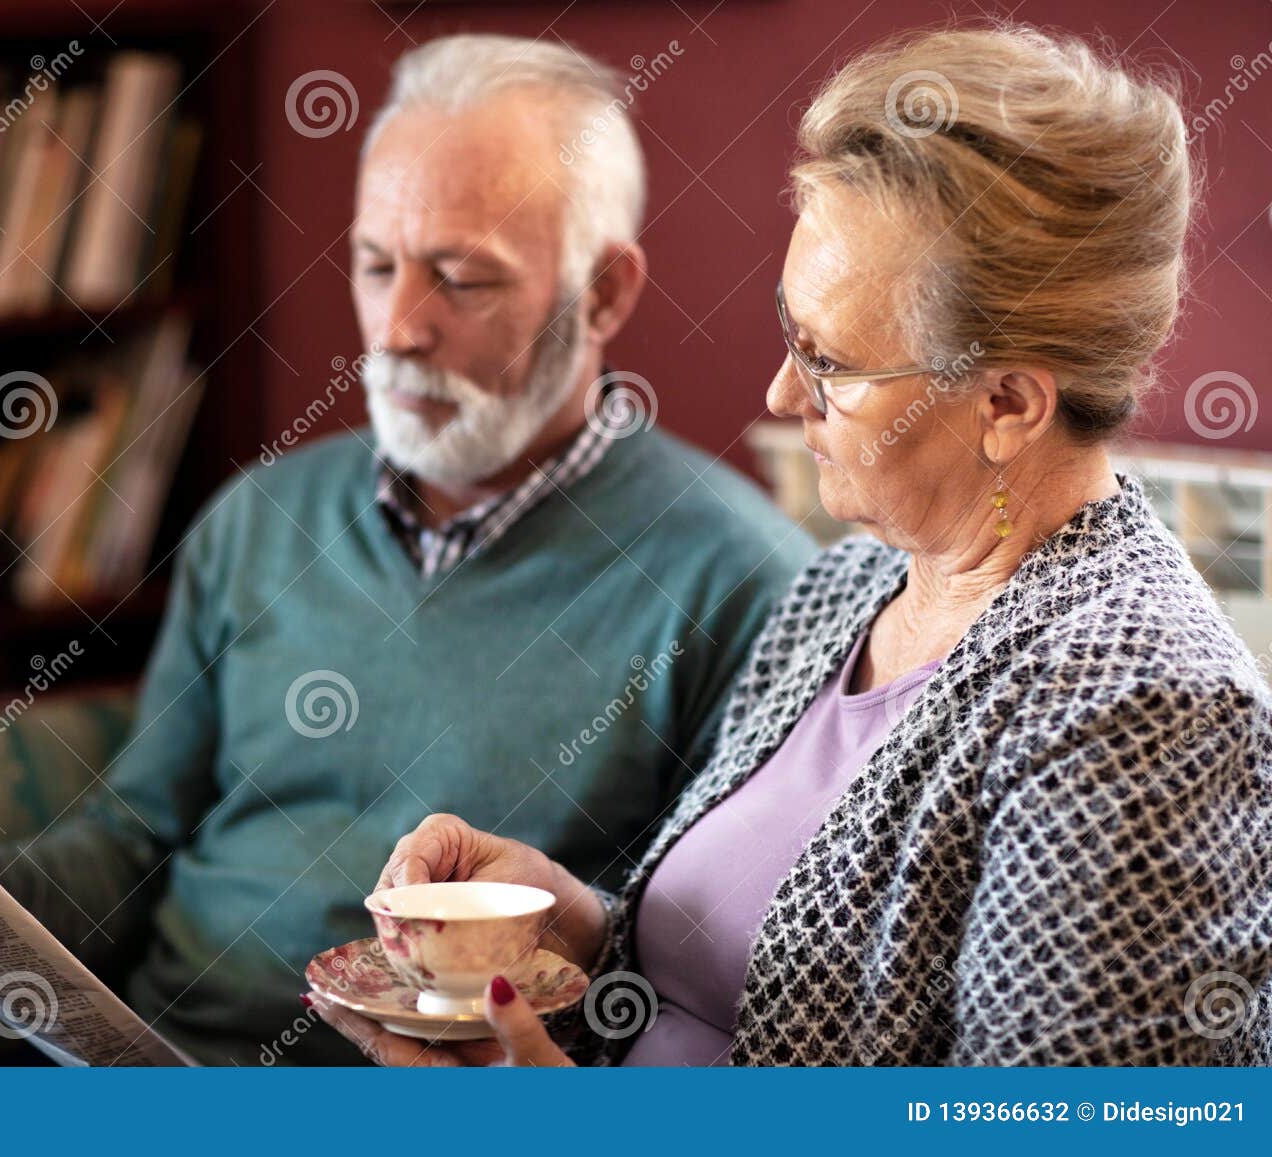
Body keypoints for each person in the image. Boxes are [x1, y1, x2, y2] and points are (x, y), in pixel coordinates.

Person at [0, 34, 811, 1066]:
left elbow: (703, 979)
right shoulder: (262, 514)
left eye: (460, 278)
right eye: (377, 265)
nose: (398, 327)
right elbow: (136, 841)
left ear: (601, 293)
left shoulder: (743, 581)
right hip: (142, 1056)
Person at [309, 24, 1272, 1067]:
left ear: (1005, 401)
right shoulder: (845, 588)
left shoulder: (1140, 708)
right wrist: (571, 925)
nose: (777, 393)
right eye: (787, 328)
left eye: (829, 361)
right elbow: (721, 992)